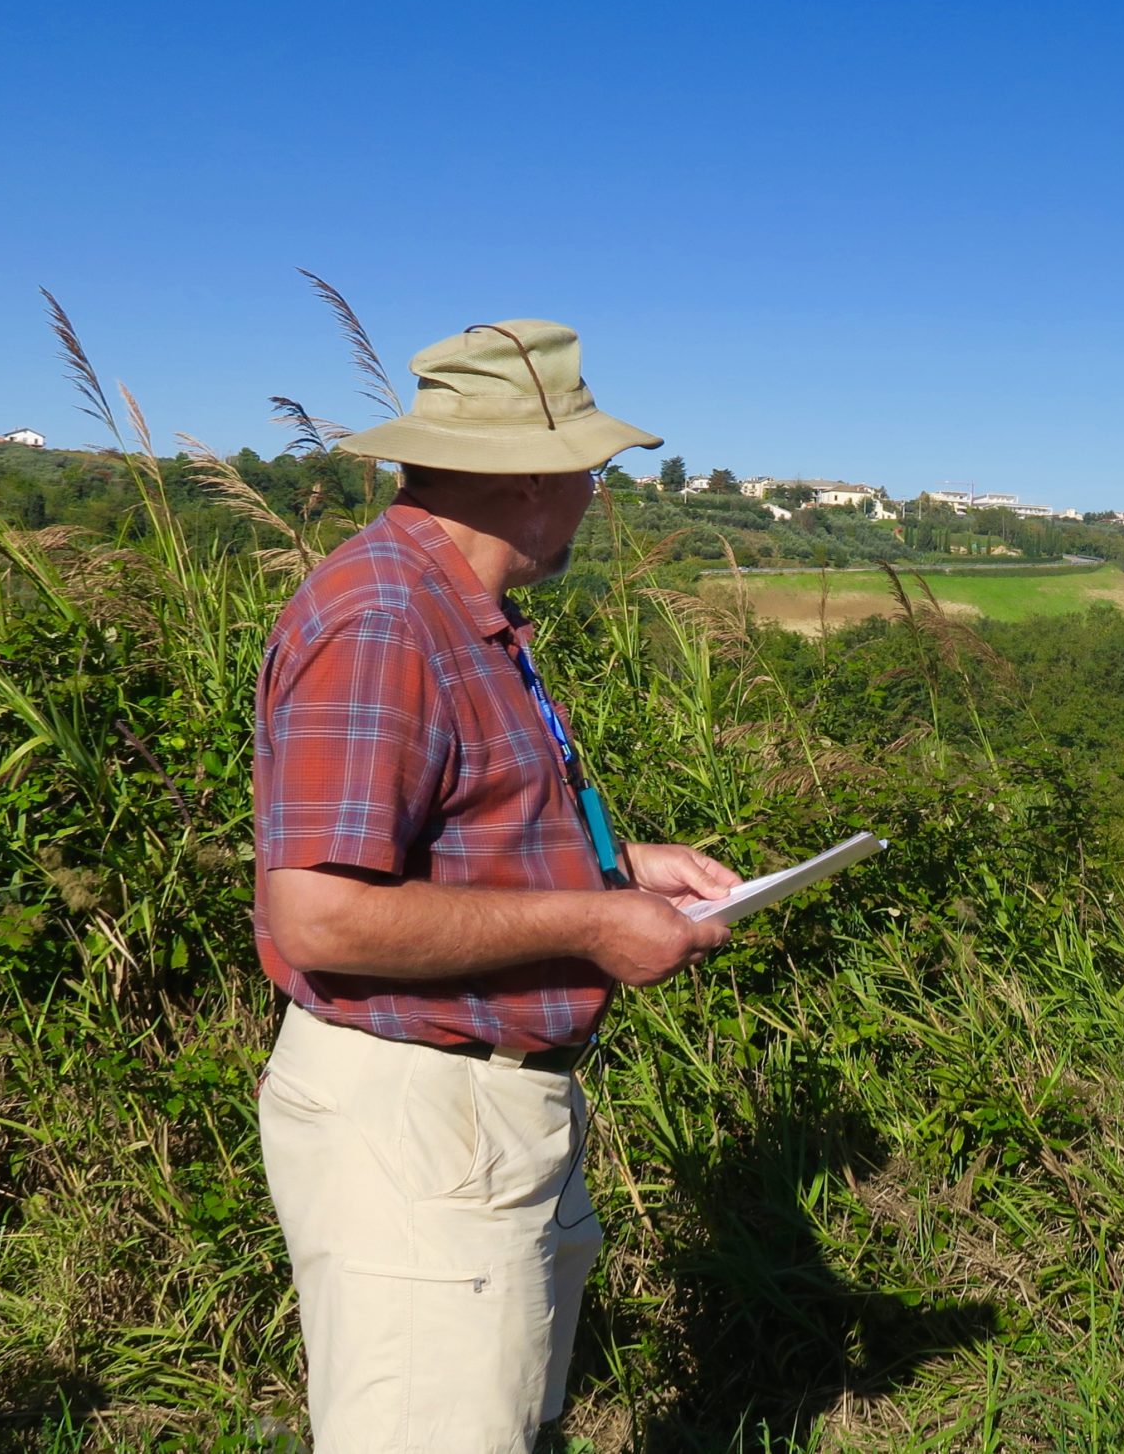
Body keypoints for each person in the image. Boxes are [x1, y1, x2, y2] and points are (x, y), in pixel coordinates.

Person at [253, 319, 741, 1451]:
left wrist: (622, 869)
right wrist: (591, 922)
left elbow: (449, 836)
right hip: (420, 1127)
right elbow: (318, 913)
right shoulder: (388, 621)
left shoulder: (455, 609)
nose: (592, 498)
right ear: (531, 477)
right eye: (588, 472)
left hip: (476, 1121)